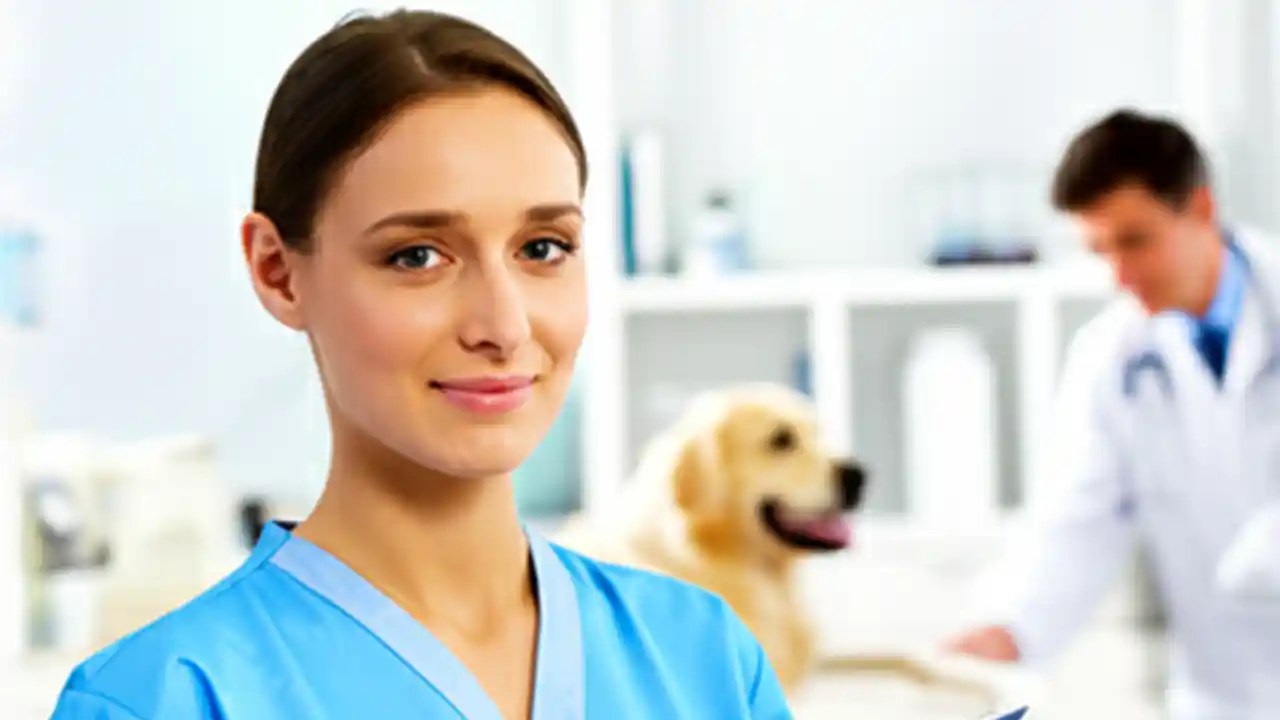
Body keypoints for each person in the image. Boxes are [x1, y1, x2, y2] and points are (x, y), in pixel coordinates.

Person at [49, 11, 790, 719]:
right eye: (418, 256)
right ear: (278, 272)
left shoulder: (705, 662)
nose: (504, 325)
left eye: (542, 248)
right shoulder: (166, 701)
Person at [948, 109, 1280, 718]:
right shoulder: (1114, 358)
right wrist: (1006, 630)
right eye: (1099, 250)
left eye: (1135, 241)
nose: (1119, 276)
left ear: (1200, 209)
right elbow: (1074, 519)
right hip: (1221, 698)